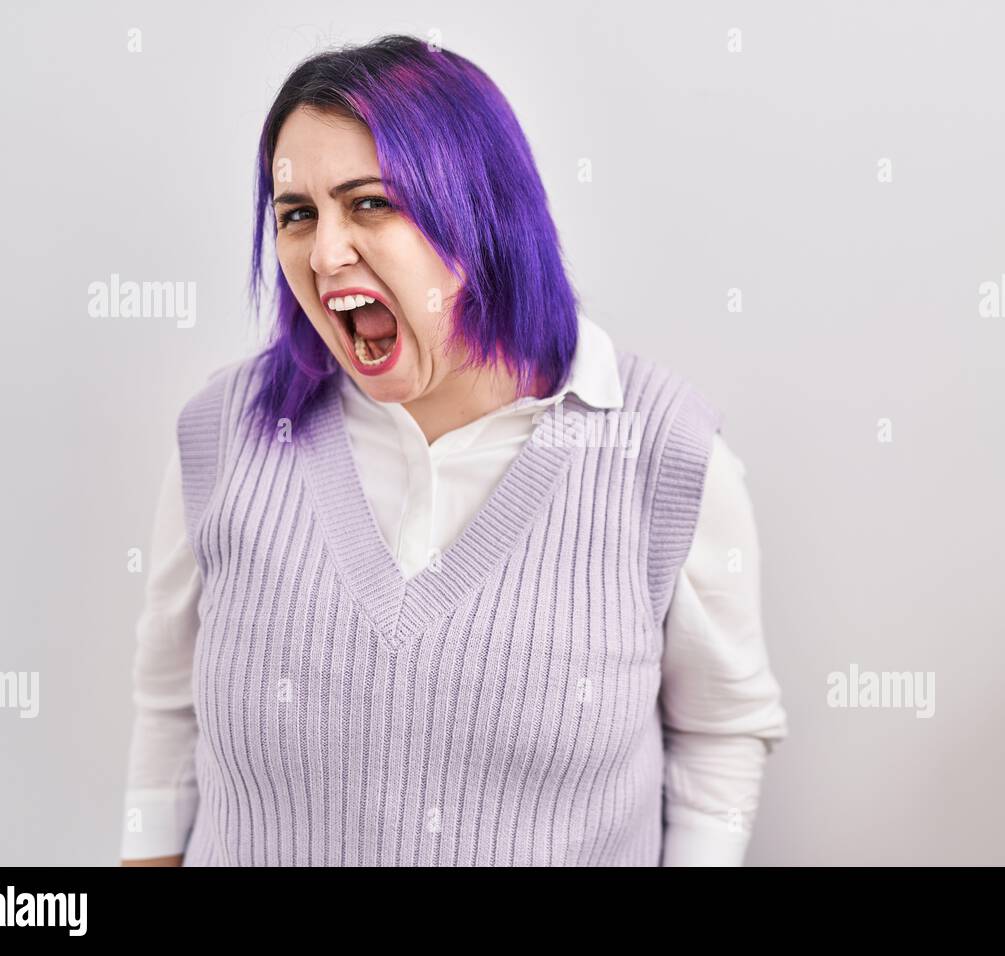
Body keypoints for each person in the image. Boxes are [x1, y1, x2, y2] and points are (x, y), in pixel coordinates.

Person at [120, 34, 787, 867]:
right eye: (298, 215)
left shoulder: (664, 453)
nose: (326, 253)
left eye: (369, 204)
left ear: (478, 215)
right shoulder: (225, 431)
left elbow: (720, 734)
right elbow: (168, 713)